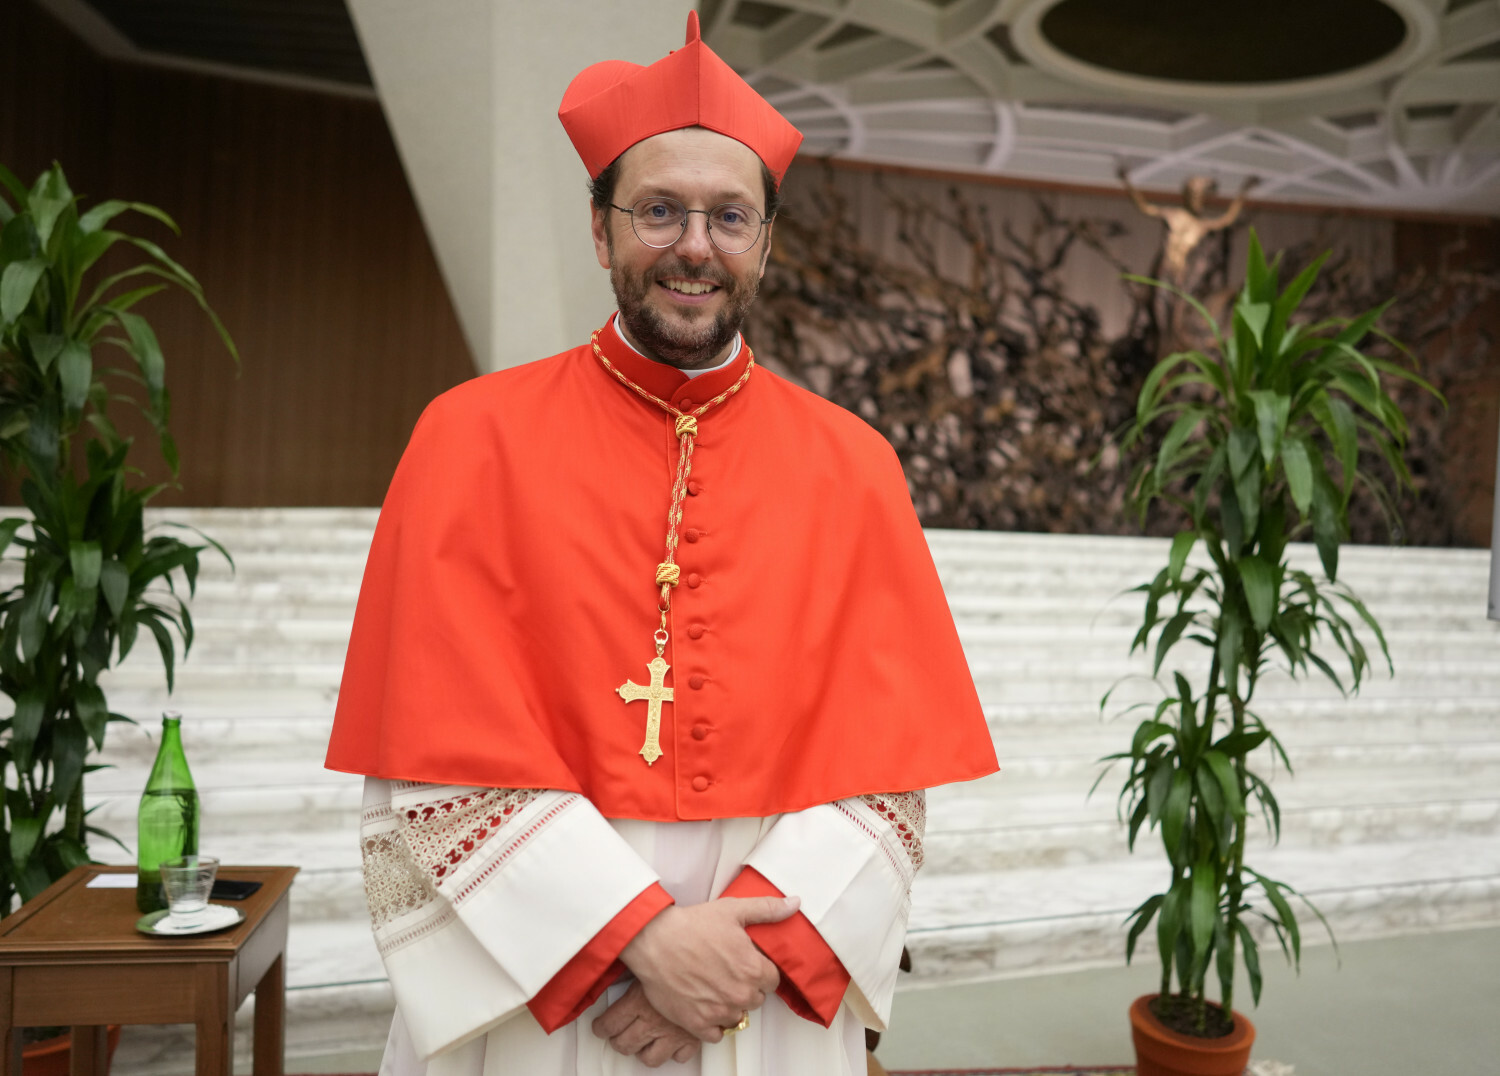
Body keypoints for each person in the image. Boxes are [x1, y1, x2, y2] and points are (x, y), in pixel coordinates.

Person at [325, 13, 998, 1075]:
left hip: (763, 975)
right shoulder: (469, 437)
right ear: (601, 231)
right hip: (543, 983)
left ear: (766, 243)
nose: (695, 243)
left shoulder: (856, 464)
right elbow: (429, 753)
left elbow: (886, 776)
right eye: (660, 210)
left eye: (730, 216)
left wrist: (741, 956)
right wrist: (632, 935)